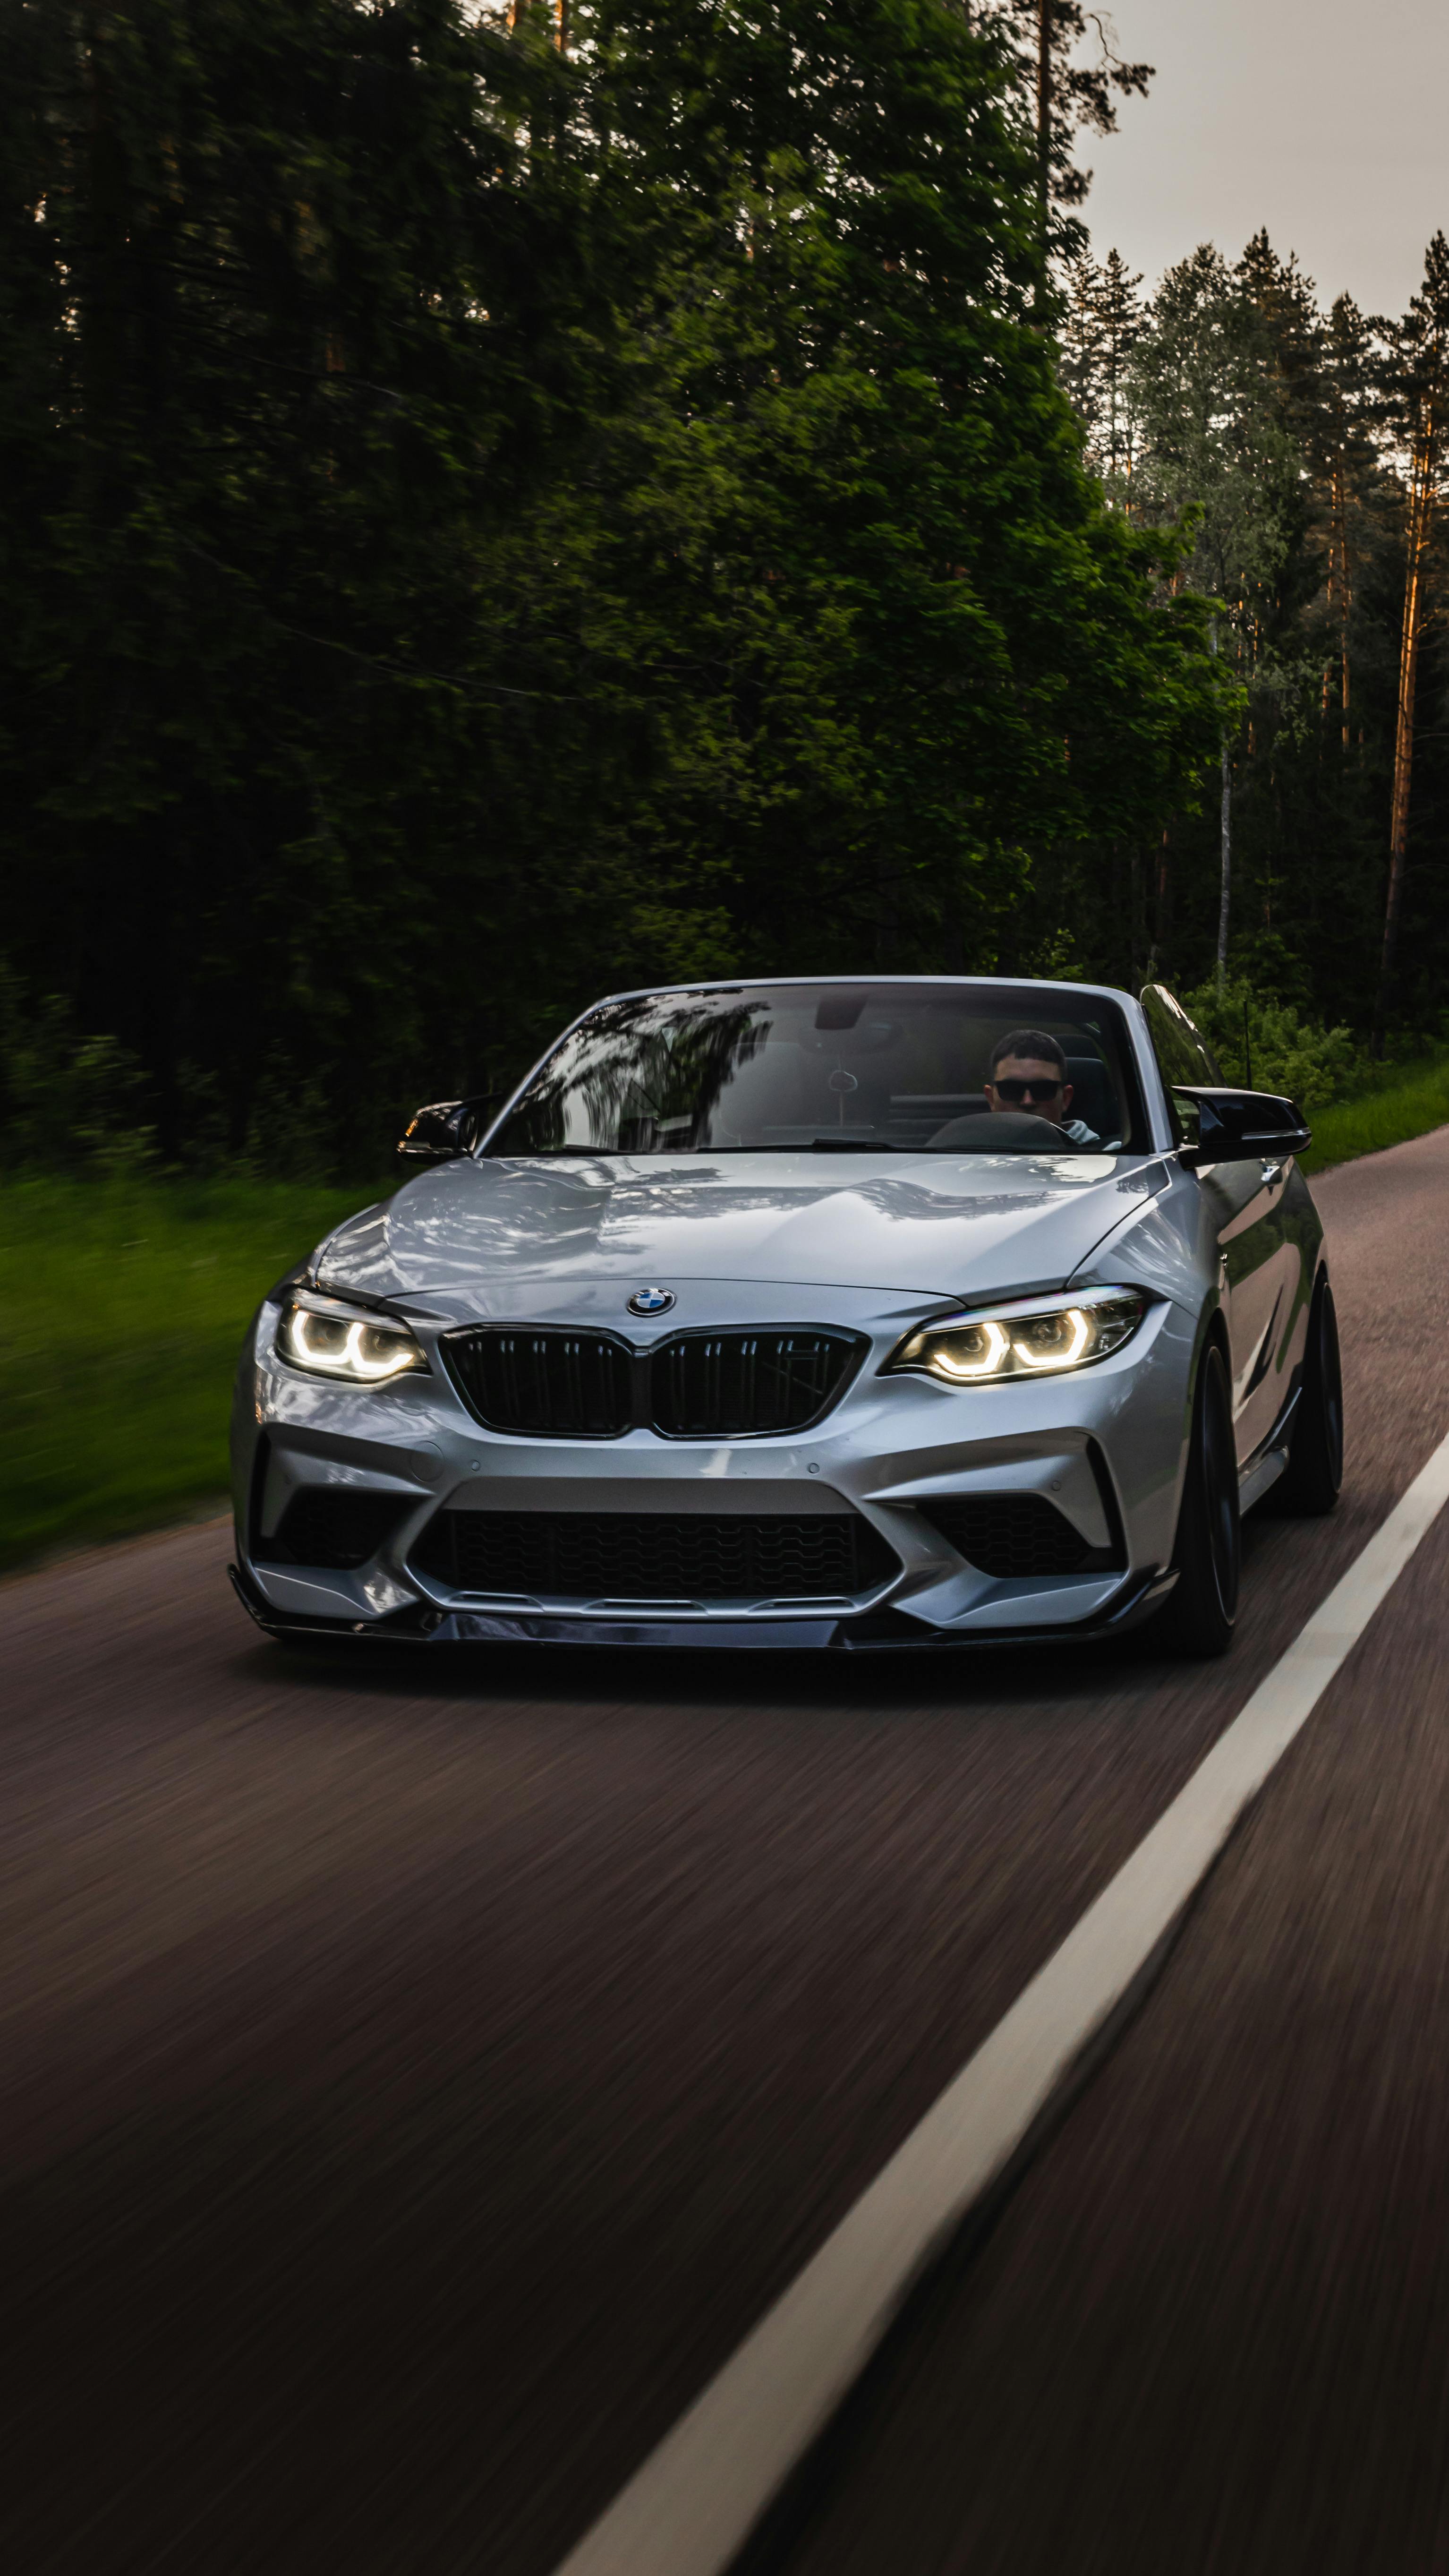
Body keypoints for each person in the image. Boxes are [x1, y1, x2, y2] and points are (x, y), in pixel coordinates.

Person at [983, 1030, 1105, 1147]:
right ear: (991, 1099)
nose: (1027, 1102)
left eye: (1043, 1089)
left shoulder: (1107, 1154)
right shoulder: (973, 1149)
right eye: (1011, 1089)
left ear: (1065, 1099)